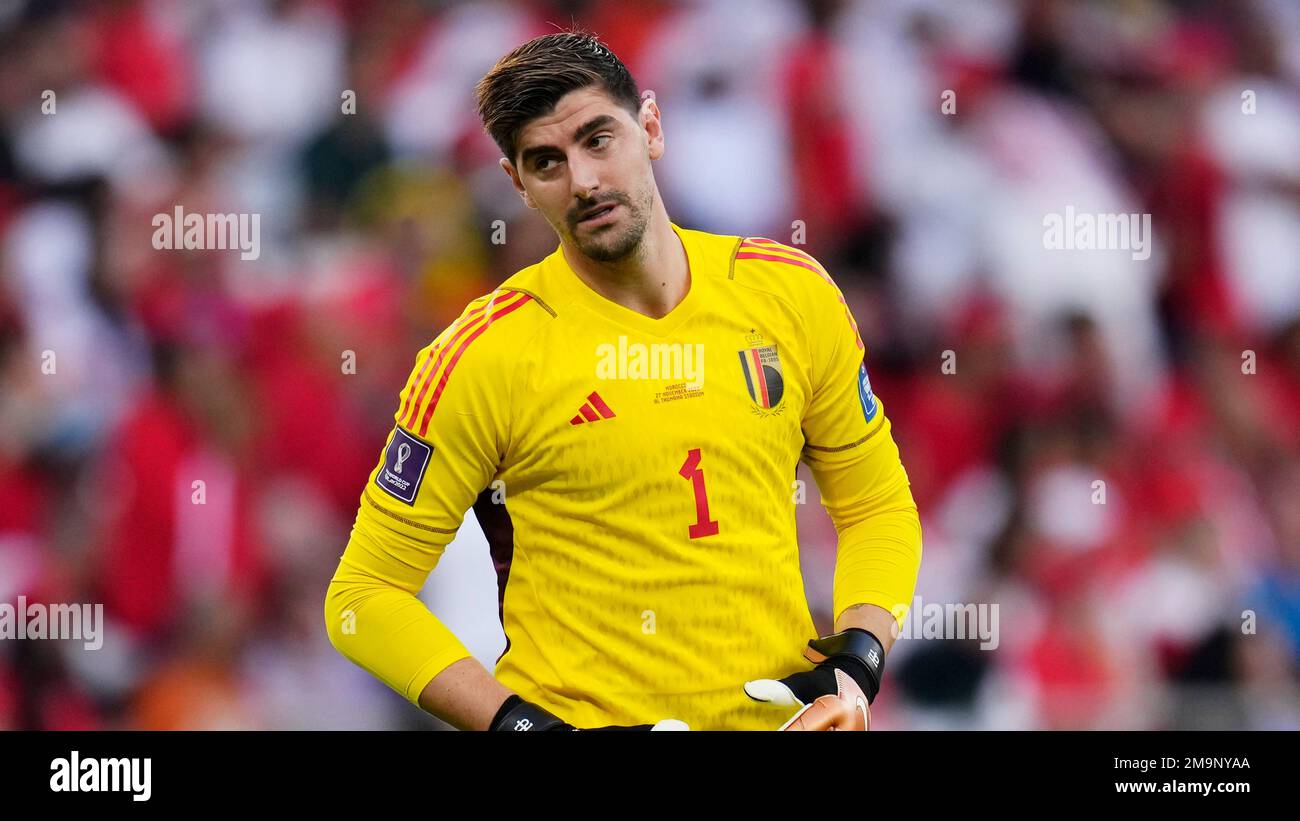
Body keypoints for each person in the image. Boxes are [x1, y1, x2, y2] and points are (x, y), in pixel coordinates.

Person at [324, 30, 922, 731]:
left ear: (651, 128)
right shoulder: (484, 356)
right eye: (547, 162)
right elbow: (363, 595)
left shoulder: (790, 294)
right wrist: (524, 725)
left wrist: (857, 663)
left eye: (598, 140)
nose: (582, 181)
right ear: (519, 184)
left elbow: (875, 502)